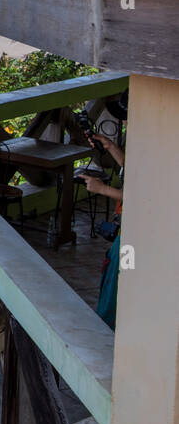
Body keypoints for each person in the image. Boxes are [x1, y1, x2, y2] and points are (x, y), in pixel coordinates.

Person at [82, 133, 124, 328]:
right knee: (114, 278)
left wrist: (103, 190)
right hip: (125, 232)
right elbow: (133, 167)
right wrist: (110, 146)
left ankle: (109, 330)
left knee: (119, 280)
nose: (125, 124)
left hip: (133, 238)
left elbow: (149, 197)